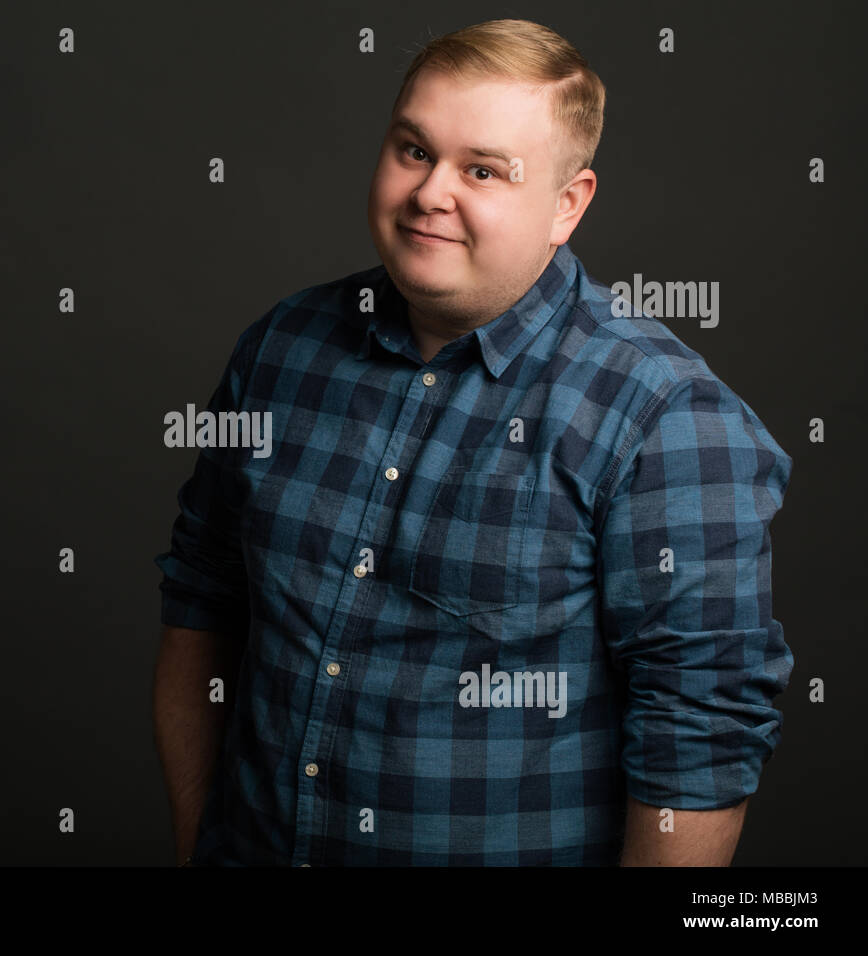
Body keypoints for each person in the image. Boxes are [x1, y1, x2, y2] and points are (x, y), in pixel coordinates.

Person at [152, 18, 793, 866]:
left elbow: (698, 740)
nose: (430, 193)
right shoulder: (281, 349)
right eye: (414, 151)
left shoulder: (665, 418)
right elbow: (202, 599)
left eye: (482, 170)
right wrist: (205, 838)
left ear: (569, 204)